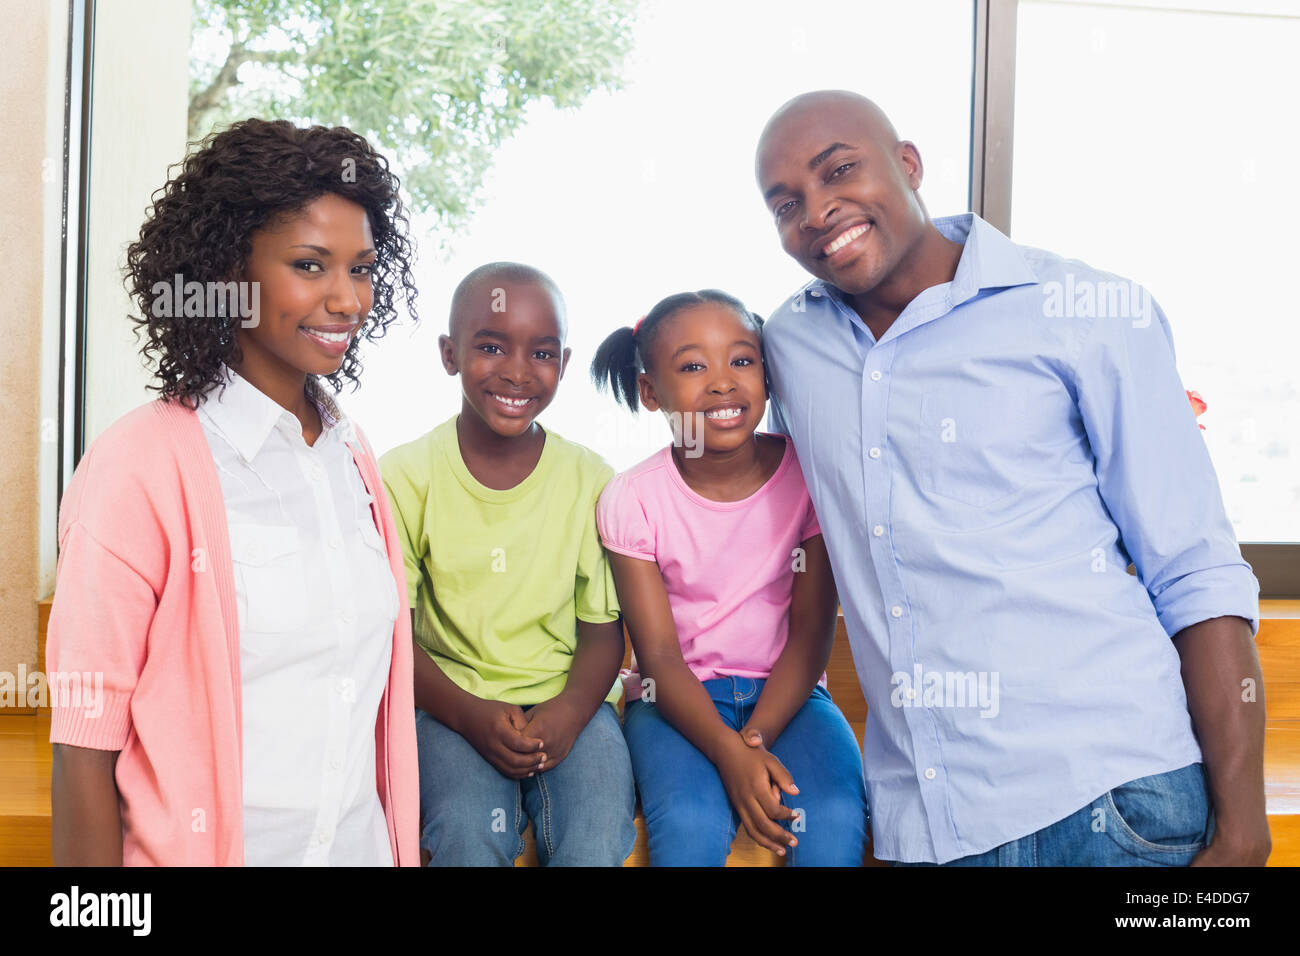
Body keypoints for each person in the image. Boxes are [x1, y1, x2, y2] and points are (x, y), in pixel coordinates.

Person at [752, 90, 1269, 866]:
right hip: (927, 826)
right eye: (787, 203)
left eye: (840, 171)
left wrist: (1243, 830)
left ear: (909, 163)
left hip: (1119, 806)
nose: (818, 211)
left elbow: (1195, 571)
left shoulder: (1086, 312)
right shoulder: (791, 345)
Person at [46, 118, 421, 866]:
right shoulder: (137, 466)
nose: (348, 299)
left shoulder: (353, 457)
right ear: (227, 272)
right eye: (311, 266)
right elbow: (84, 750)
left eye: (362, 267)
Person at [591, 289, 868, 866]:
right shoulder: (633, 497)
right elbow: (660, 656)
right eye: (693, 366)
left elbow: (812, 632)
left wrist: (756, 740)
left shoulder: (810, 473)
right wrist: (729, 752)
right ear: (649, 391)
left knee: (835, 814)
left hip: (792, 697)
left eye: (741, 360)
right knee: (690, 820)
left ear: (768, 375)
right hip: (675, 701)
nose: (722, 382)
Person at [380, 262, 635, 867]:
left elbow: (603, 632)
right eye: (491, 347)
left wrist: (570, 713)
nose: (518, 372)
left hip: (571, 699)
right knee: (468, 832)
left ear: (564, 365)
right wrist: (468, 714)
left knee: (596, 832)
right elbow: (392, 632)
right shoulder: (405, 476)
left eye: (542, 353)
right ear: (450, 354)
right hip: (449, 700)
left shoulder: (590, 480)